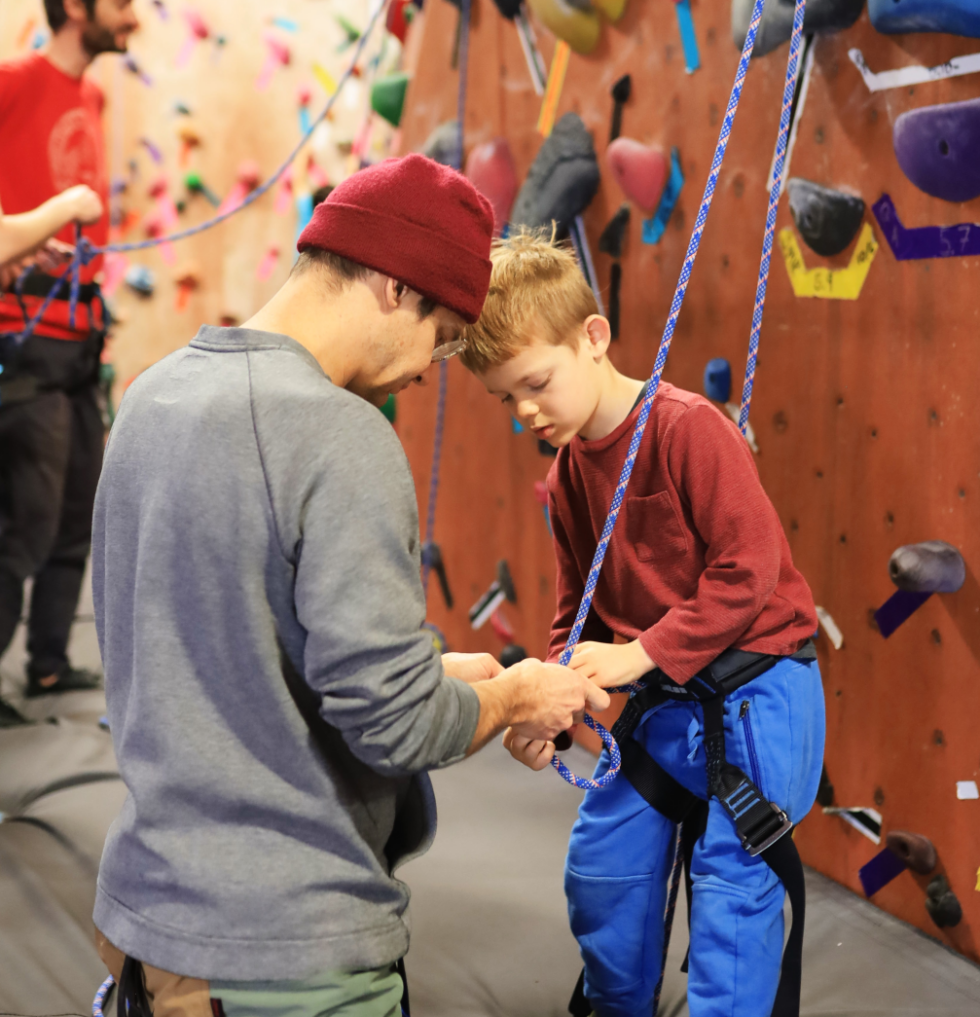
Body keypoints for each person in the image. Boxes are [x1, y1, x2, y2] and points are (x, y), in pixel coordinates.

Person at [91, 155, 610, 1017]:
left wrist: (438, 673)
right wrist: (518, 693)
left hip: (148, 920)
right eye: (443, 341)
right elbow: (397, 728)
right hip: (287, 950)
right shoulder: (340, 435)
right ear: (397, 290)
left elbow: (215, 653)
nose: (424, 373)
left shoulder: (154, 396)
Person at [460, 229, 826, 1017]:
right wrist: (548, 706)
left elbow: (749, 567)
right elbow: (576, 606)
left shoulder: (686, 427)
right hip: (668, 697)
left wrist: (639, 654)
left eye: (535, 383)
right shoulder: (566, 477)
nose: (524, 410)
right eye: (505, 397)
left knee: (731, 896)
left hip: (761, 687)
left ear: (593, 338)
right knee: (605, 873)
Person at [0, 0, 139, 697]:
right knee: (21, 522)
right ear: (76, 8)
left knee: (78, 508)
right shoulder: (15, 79)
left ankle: (48, 661)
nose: (134, 17)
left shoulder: (91, 93)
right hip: (22, 335)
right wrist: (28, 238)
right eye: (120, 4)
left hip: (79, 333)